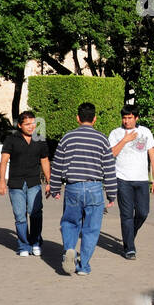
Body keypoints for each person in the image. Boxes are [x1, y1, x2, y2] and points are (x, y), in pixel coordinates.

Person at [48, 102, 116, 276]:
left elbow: (57, 165)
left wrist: (55, 188)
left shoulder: (67, 138)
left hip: (73, 187)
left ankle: (69, 250)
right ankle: (83, 265)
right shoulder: (102, 139)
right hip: (94, 188)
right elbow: (109, 168)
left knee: (70, 223)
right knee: (92, 228)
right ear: (94, 119)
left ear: (77, 118)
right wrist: (111, 195)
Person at [108, 105, 154, 260]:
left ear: (136, 118)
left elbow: (153, 156)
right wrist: (125, 140)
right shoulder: (116, 133)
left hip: (142, 179)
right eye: (124, 118)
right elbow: (111, 154)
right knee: (126, 215)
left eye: (130, 118)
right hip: (122, 179)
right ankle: (129, 248)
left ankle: (129, 235)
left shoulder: (145, 132)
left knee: (143, 213)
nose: (126, 121)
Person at [0, 109, 51, 257]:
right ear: (20, 125)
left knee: (35, 213)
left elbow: (45, 161)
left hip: (34, 182)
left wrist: (49, 181)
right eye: (27, 124)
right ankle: (23, 245)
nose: (31, 126)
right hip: (16, 183)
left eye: (33, 123)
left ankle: (35, 242)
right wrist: (2, 181)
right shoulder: (11, 140)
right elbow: (3, 161)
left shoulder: (40, 139)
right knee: (20, 216)